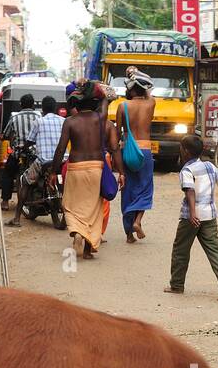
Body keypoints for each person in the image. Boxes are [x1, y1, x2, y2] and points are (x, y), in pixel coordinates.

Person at [51, 80, 120, 258]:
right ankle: (88, 250)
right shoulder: (100, 119)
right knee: (94, 207)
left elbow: (60, 148)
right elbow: (106, 96)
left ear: (76, 104)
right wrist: (92, 86)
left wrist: (54, 171)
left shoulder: (70, 122)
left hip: (75, 167)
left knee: (72, 205)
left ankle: (77, 233)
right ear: (94, 102)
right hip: (97, 167)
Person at [166, 135, 218, 302]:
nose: (180, 152)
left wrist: (193, 213)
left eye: (182, 149)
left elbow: (190, 191)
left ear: (186, 152)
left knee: (181, 249)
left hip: (192, 217)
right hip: (209, 215)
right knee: (215, 250)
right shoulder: (209, 166)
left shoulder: (187, 170)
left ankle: (177, 285)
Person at [9, 95, 63, 228]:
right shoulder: (63, 121)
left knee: (24, 181)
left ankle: (16, 218)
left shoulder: (39, 122)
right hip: (62, 161)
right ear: (55, 108)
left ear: (43, 109)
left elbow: (30, 141)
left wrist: (24, 147)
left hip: (43, 162)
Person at [119, 68, 156, 242]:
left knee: (128, 190)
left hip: (128, 150)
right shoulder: (151, 103)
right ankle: (138, 220)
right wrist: (136, 73)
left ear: (131, 89)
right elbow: (149, 88)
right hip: (145, 150)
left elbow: (122, 132)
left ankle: (128, 235)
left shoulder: (123, 106)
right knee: (145, 188)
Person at [1, 93, 40, 211]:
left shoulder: (14, 117)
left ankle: (5, 201)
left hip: (18, 153)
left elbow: (6, 135)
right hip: (35, 154)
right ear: (33, 105)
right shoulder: (39, 116)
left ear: (21, 105)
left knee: (7, 174)